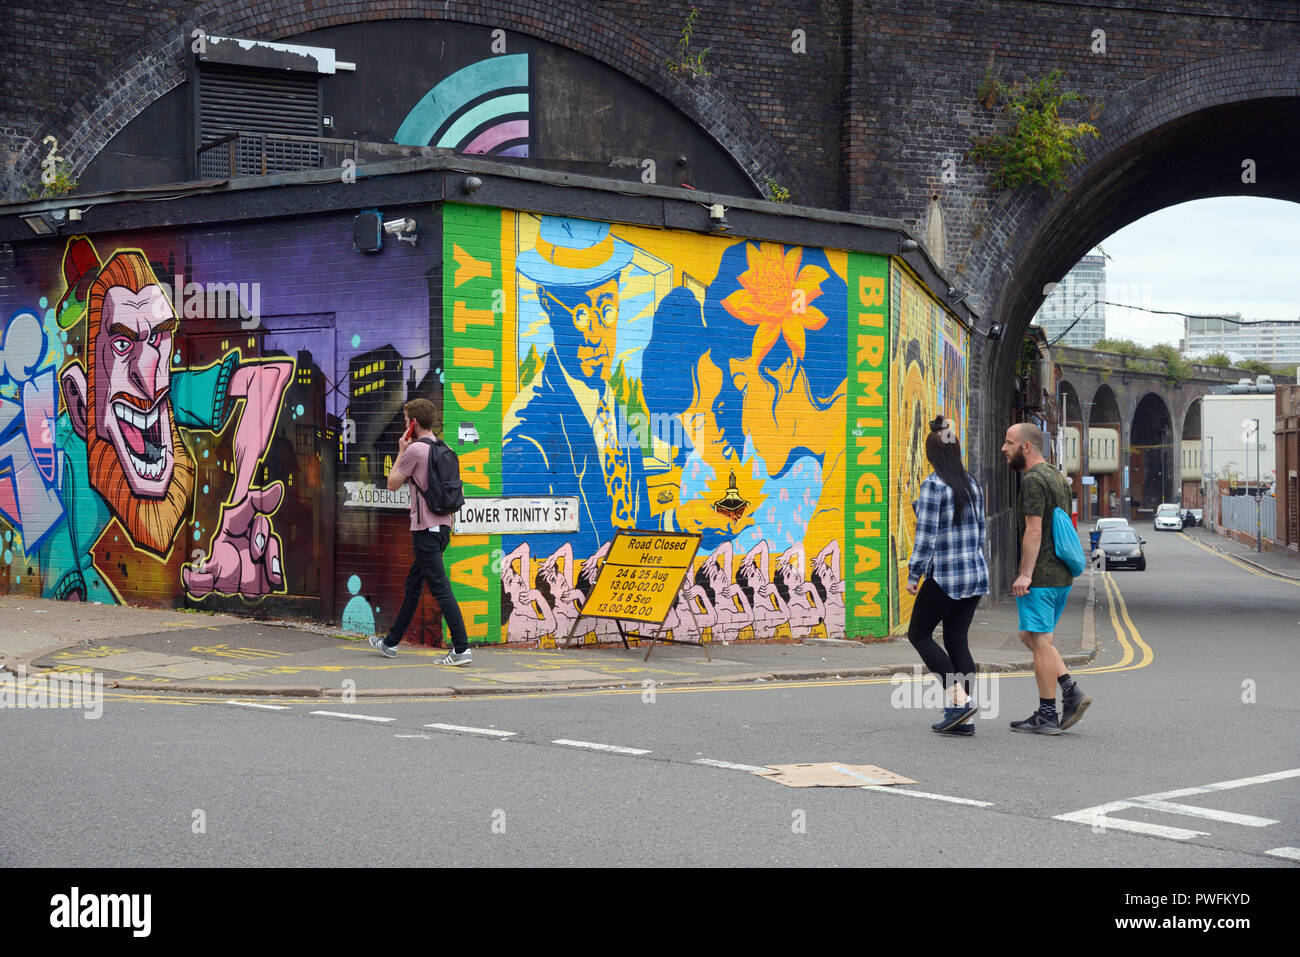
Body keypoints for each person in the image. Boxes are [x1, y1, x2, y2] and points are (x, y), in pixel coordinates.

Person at [1001, 422, 1092, 733]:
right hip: (1062, 575)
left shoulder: (1034, 481)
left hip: (1042, 575)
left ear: (1027, 447)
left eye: (1009, 443)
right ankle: (1070, 690)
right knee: (1031, 636)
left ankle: (1047, 713)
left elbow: (1035, 529)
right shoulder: (1056, 475)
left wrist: (1025, 574)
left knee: (1040, 640)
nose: (1004, 448)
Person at [369, 398, 471, 665]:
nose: (404, 425)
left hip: (425, 531)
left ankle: (461, 649)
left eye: (405, 421)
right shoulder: (445, 447)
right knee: (414, 585)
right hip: (442, 527)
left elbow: (392, 483)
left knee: (440, 588)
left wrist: (401, 450)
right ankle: (390, 643)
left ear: (413, 424)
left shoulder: (415, 450)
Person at [905, 416, 989, 735]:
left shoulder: (933, 485)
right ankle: (962, 716)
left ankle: (958, 703)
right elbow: (980, 533)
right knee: (957, 639)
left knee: (919, 635)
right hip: (975, 575)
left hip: (946, 577)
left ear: (932, 455)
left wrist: (915, 575)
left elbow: (926, 537)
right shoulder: (973, 485)